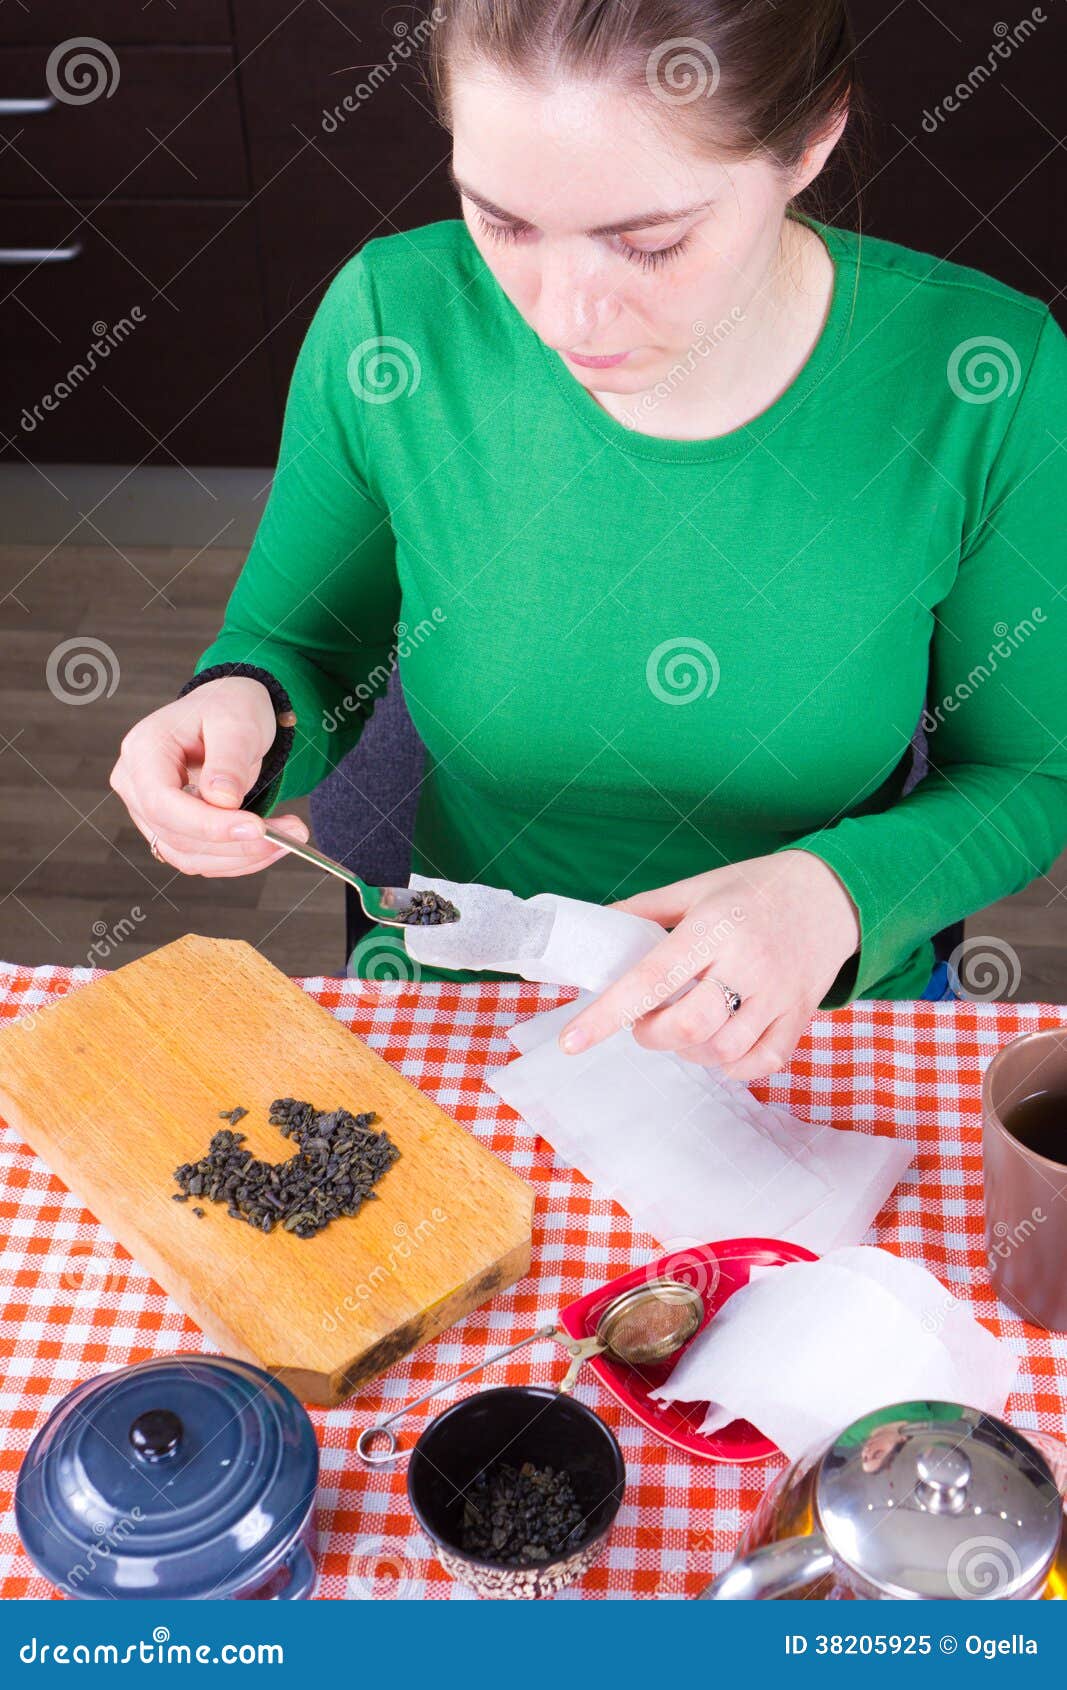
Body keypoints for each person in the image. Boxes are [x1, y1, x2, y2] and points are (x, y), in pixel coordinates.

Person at [108, 0, 1067, 1080]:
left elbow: (1032, 770)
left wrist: (833, 894)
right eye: (502, 222)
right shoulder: (394, 322)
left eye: (649, 243)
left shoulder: (987, 381)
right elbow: (306, 649)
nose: (563, 319)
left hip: (825, 1018)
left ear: (810, 142)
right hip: (470, 1012)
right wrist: (244, 713)